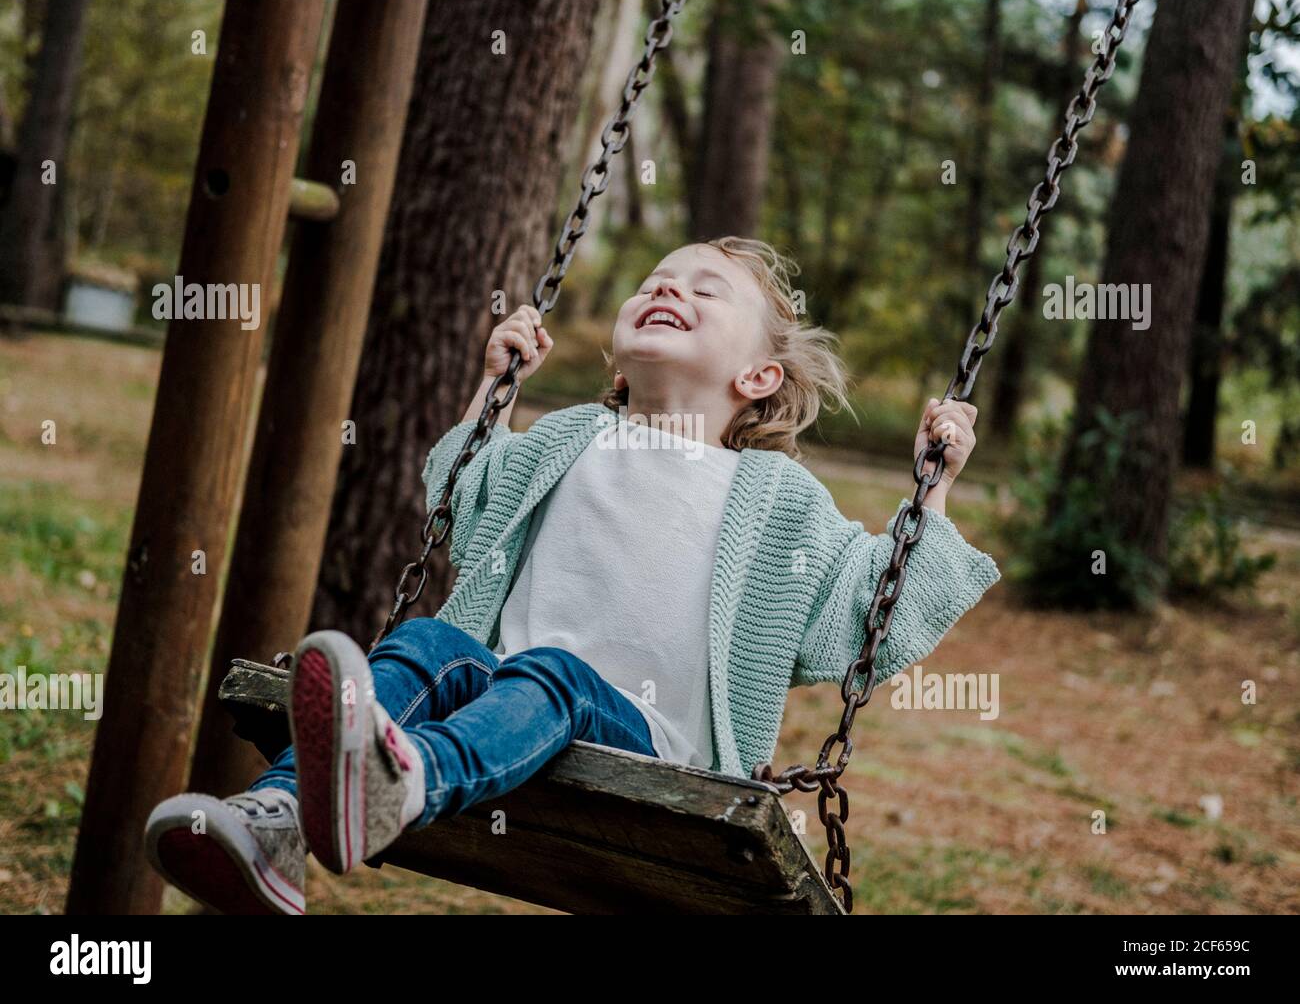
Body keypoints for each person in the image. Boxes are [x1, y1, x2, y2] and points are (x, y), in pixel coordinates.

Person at [144, 236, 999, 914]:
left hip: (660, 748)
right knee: (428, 641)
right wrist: (496, 393)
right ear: (619, 363)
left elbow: (861, 619)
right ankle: (277, 822)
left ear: (758, 377)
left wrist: (935, 488)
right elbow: (465, 504)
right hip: (499, 692)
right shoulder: (568, 437)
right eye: (657, 280)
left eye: (706, 290)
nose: (669, 289)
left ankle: (405, 783)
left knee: (555, 675)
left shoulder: (777, 497)